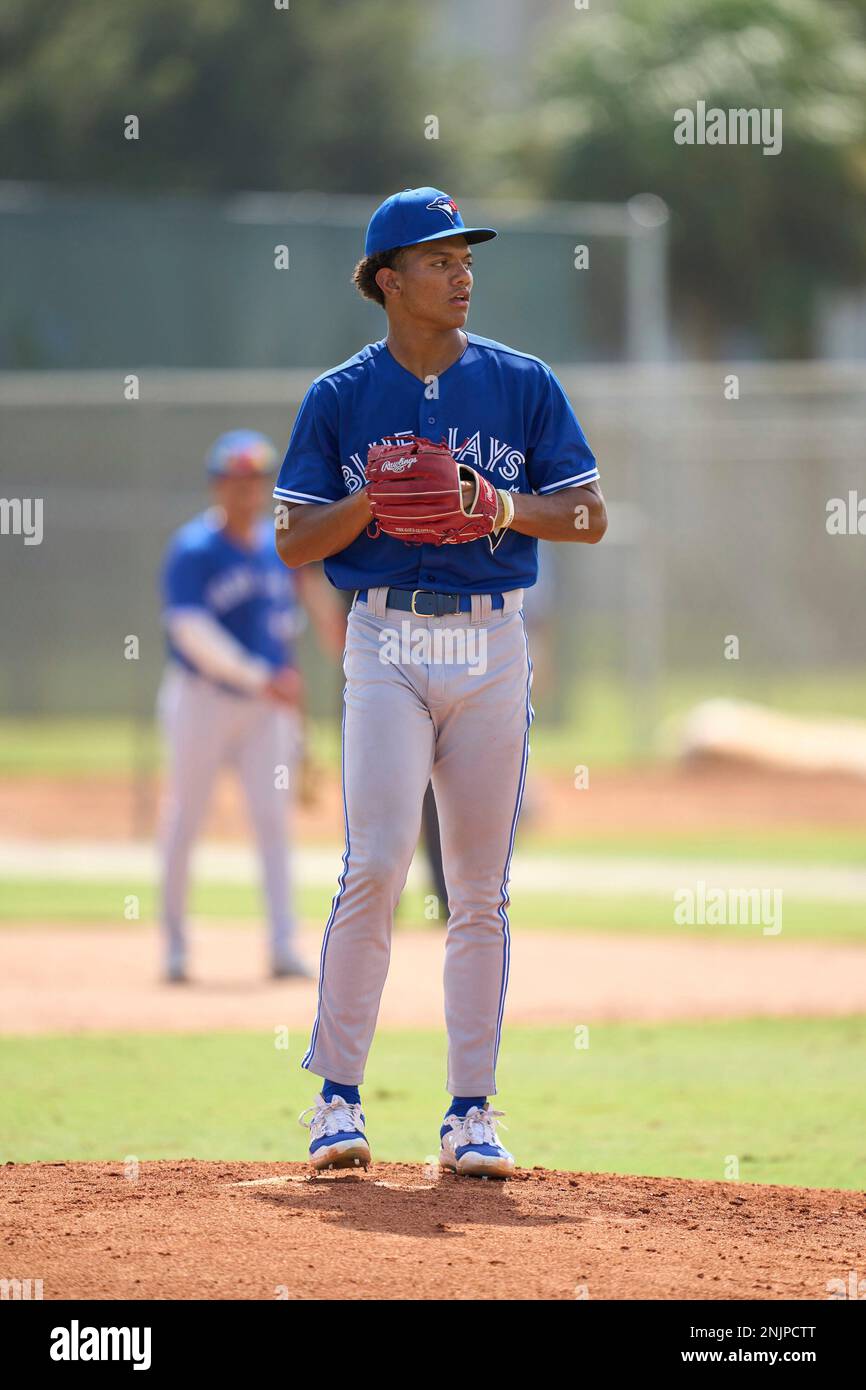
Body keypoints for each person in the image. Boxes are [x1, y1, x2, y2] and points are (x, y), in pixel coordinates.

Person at [275, 187, 607, 1178]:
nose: (461, 273)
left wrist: (500, 503)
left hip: (491, 643)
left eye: (466, 258)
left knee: (478, 889)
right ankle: (334, 1100)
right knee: (373, 863)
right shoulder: (340, 396)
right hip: (383, 639)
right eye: (437, 259)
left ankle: (470, 1112)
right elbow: (293, 537)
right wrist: (374, 498)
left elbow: (587, 516)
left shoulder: (521, 382)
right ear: (386, 280)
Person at [157, 429, 342, 984]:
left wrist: (300, 675)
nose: (248, 491)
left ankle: (284, 945)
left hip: (267, 712)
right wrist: (262, 676)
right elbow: (190, 631)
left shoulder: (274, 547)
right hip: (201, 701)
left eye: (257, 480)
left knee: (273, 822)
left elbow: (290, 617)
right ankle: (174, 948)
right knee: (185, 819)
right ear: (218, 486)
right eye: (237, 481)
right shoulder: (193, 549)